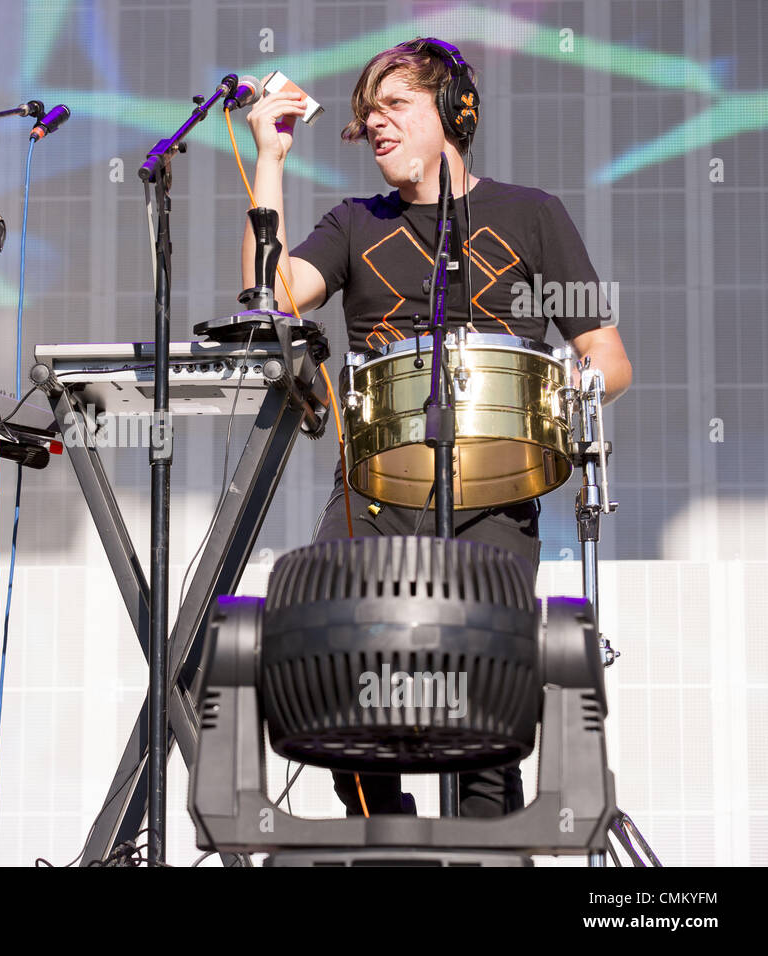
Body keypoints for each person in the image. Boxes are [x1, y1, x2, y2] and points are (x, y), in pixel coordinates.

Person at [239, 37, 632, 818]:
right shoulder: (353, 223)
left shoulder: (531, 213)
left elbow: (609, 357)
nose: (376, 126)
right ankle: (384, 833)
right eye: (366, 115)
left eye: (395, 106)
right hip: (376, 486)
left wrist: (571, 389)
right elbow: (270, 296)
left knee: (484, 704)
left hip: (494, 487)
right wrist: (271, 159)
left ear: (452, 113)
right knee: (330, 665)